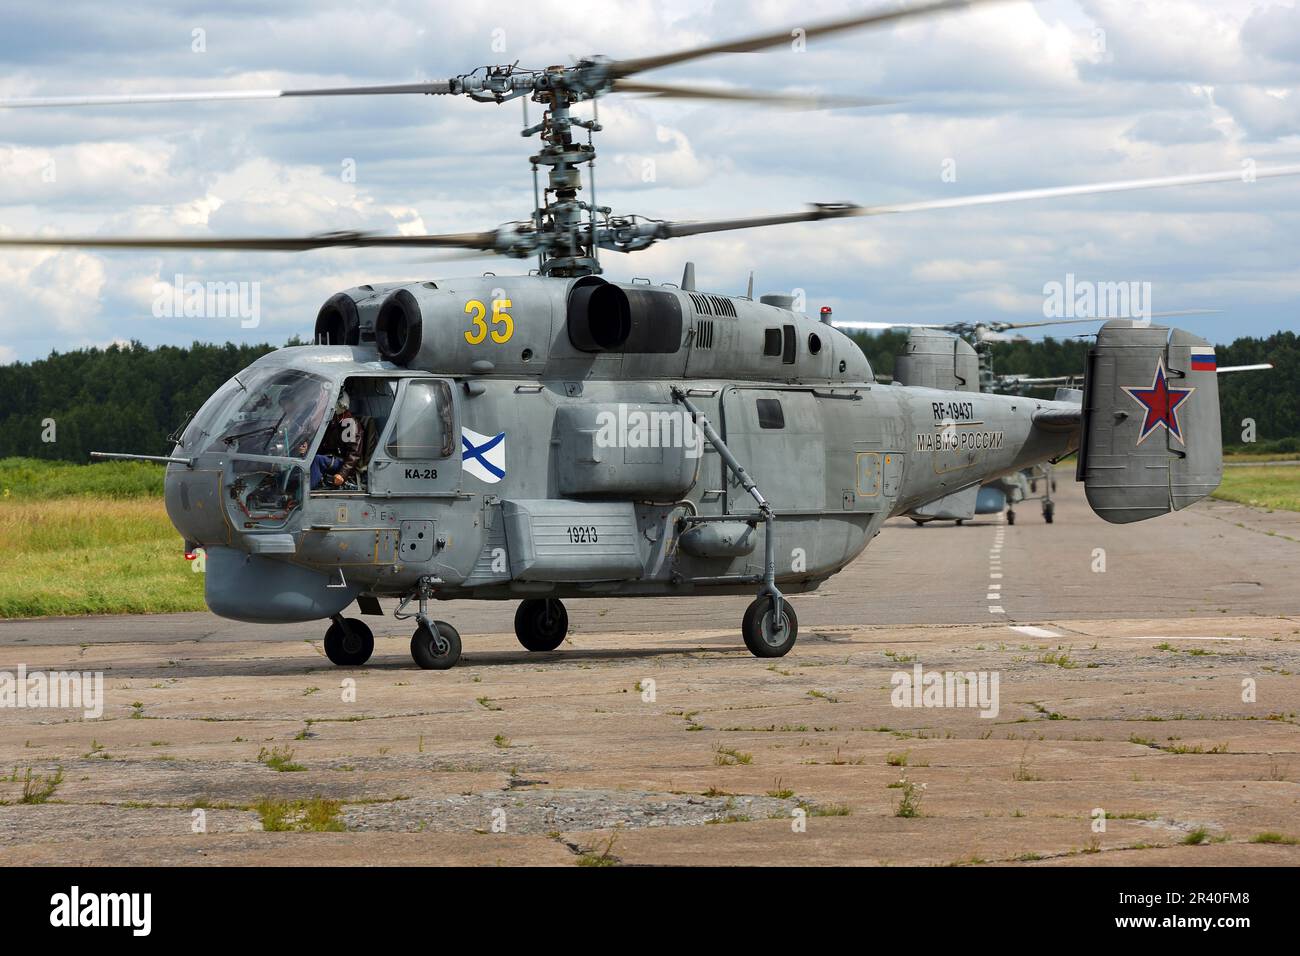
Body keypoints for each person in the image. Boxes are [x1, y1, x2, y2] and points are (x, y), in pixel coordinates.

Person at [311, 391, 363, 489]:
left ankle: (308, 490)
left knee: (317, 460)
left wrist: (342, 474)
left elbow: (354, 454)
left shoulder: (349, 424)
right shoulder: (334, 421)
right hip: (331, 458)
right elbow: (323, 444)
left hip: (342, 462)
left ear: (340, 404)